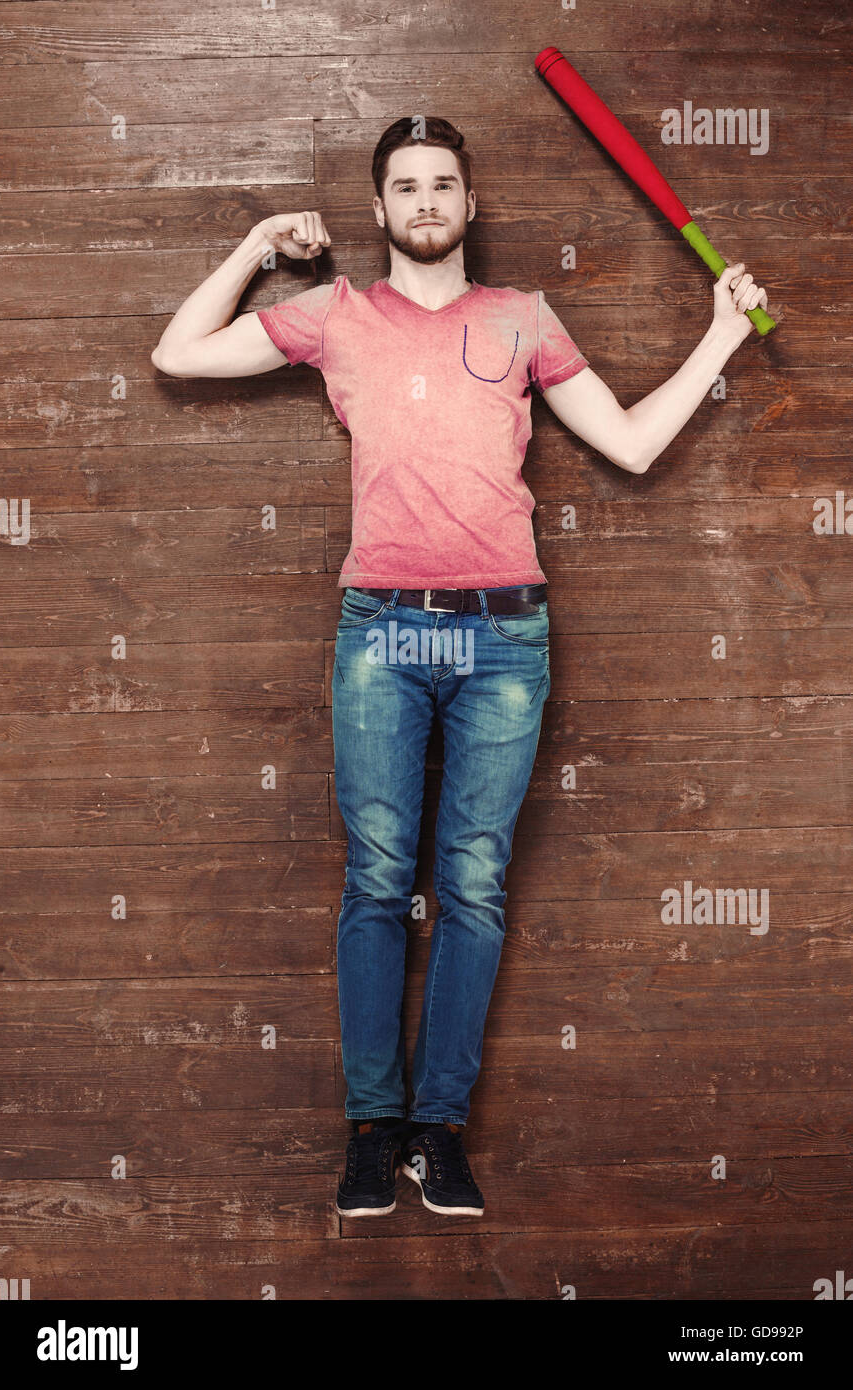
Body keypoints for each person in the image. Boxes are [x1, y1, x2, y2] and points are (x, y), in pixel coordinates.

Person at [151, 115, 769, 1220]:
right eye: (405, 185)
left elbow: (626, 441)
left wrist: (721, 335)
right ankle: (368, 1127)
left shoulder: (523, 317)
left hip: (501, 638)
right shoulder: (333, 314)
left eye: (443, 183)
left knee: (473, 885)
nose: (425, 199)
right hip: (382, 632)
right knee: (378, 881)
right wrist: (254, 244)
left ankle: (438, 1131)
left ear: (469, 206)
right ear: (379, 210)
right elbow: (177, 353)